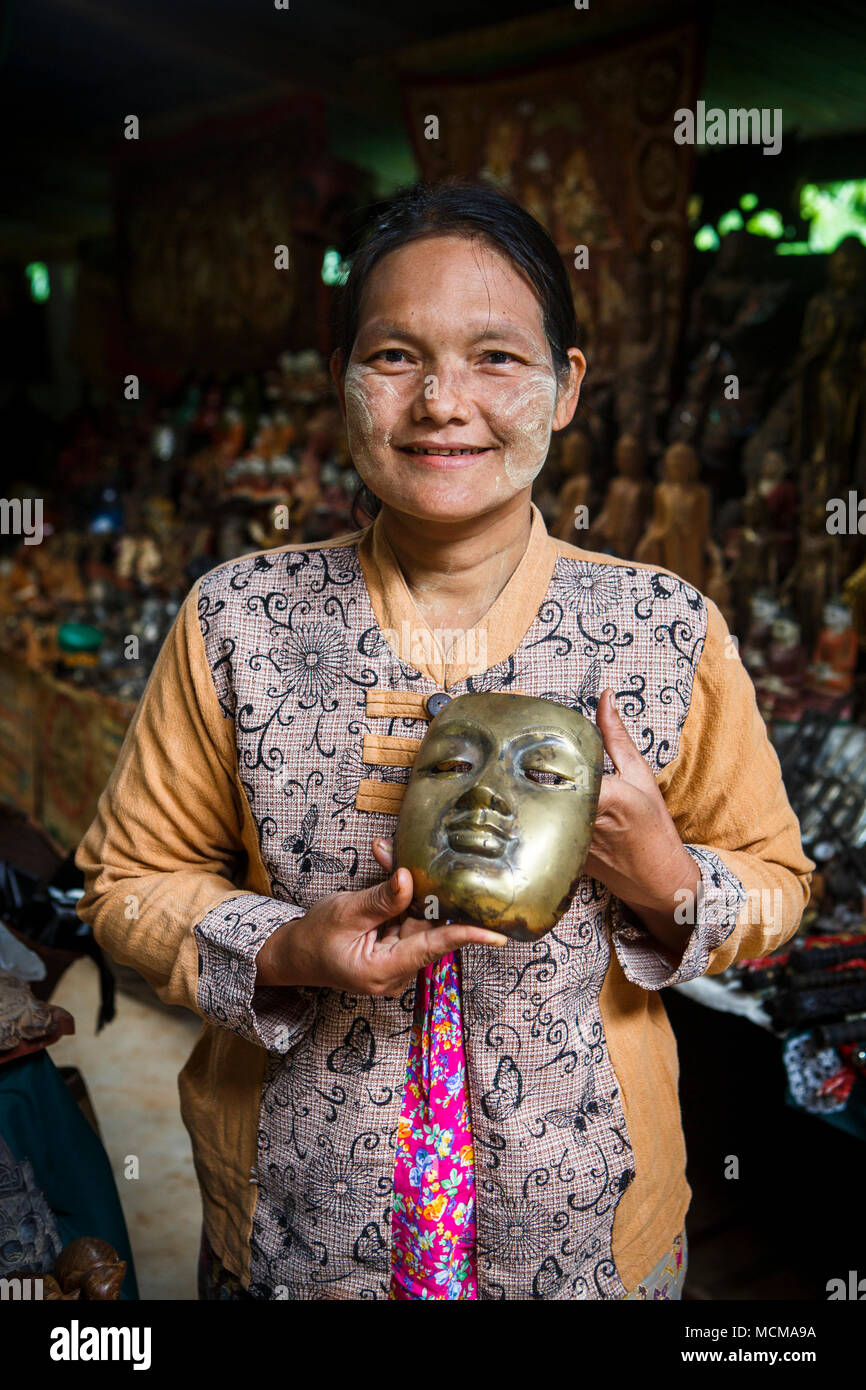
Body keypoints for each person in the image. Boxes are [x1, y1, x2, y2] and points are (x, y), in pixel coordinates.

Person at [76, 180, 813, 1301]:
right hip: (303, 1231)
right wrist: (284, 949)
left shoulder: (665, 629)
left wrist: (671, 882)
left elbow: (777, 884)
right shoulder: (237, 617)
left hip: (579, 1239)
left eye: (495, 358)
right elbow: (127, 881)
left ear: (564, 388)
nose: (440, 402)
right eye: (392, 357)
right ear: (343, 382)